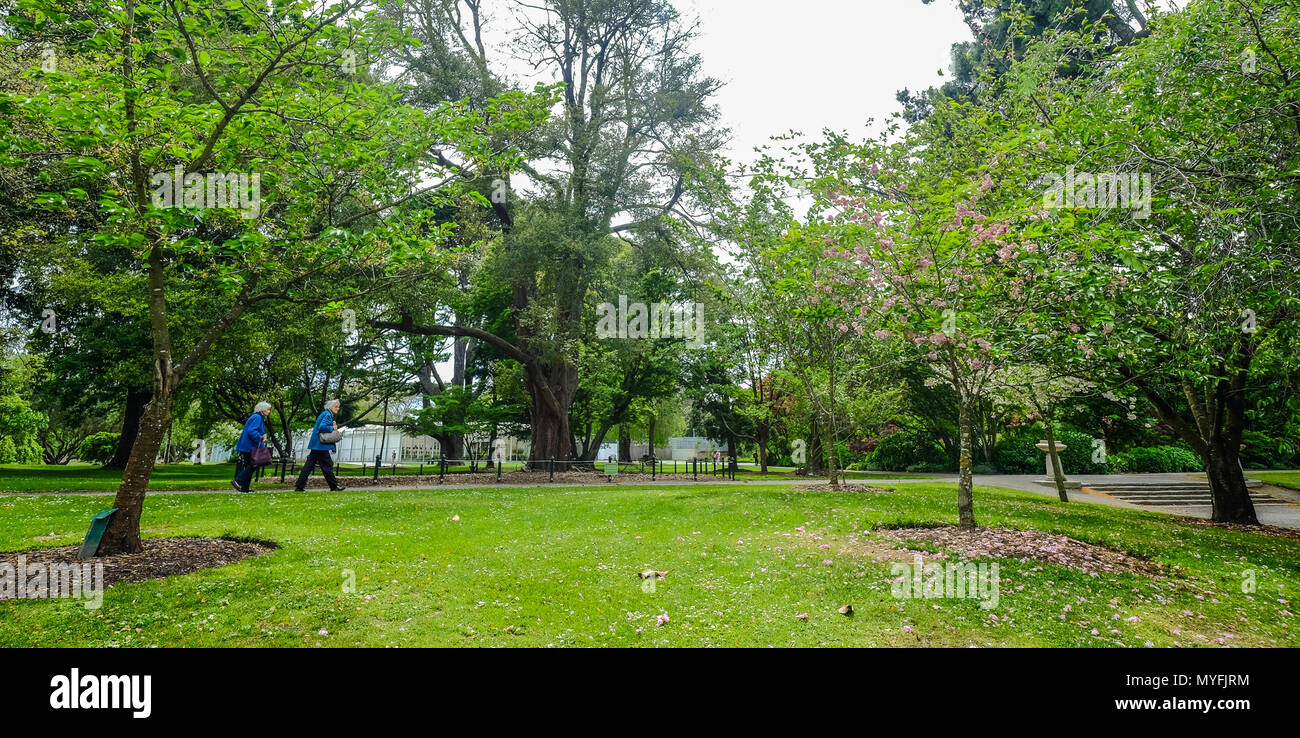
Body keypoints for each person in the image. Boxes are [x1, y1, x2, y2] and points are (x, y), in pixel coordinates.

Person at [294, 399, 347, 492]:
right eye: (336, 407)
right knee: (327, 465)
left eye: (338, 407)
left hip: (317, 444)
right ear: (330, 407)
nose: (338, 409)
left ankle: (299, 486)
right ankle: (333, 486)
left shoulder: (326, 414)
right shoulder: (328, 415)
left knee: (309, 465)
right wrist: (332, 428)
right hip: (321, 445)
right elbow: (322, 427)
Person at [232, 402, 272, 493]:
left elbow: (257, 430)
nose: (269, 411)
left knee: (248, 466)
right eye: (268, 409)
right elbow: (251, 431)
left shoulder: (258, 417)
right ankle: (237, 481)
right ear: (262, 409)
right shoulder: (257, 417)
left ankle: (245, 488)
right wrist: (261, 438)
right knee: (254, 465)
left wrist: (263, 434)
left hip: (247, 446)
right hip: (250, 446)